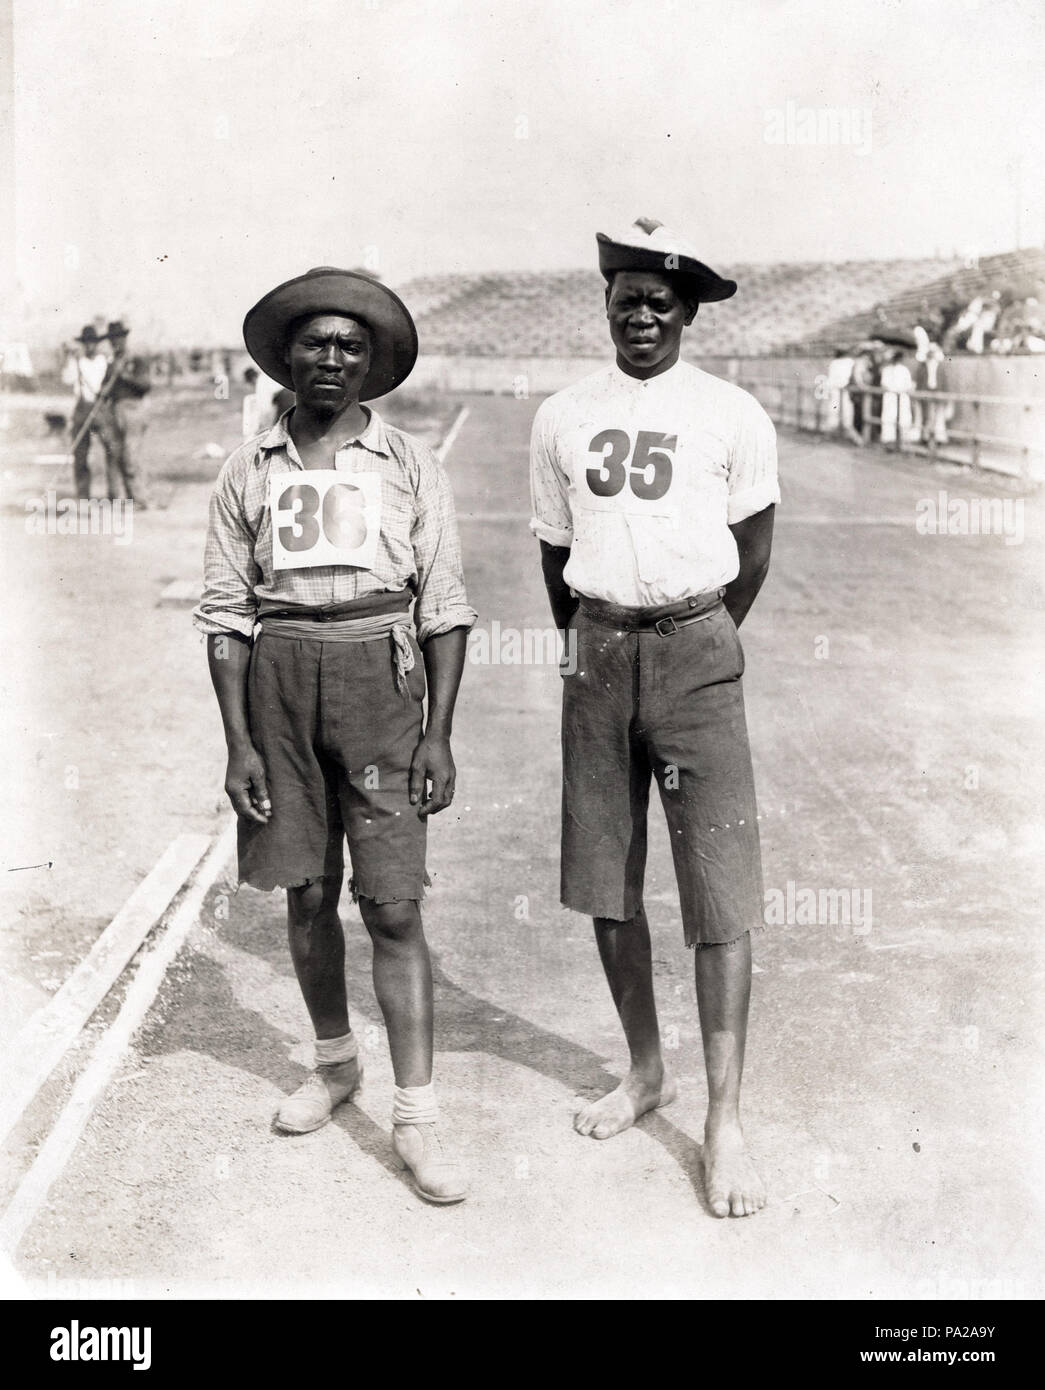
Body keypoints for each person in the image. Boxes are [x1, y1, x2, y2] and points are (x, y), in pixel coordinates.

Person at [194, 267, 477, 1204]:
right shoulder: (250, 466)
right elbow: (226, 614)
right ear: (287, 356)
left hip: (379, 682)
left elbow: (443, 608)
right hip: (279, 680)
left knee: (393, 906)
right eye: (314, 343)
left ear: (371, 363)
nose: (331, 359)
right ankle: (333, 1062)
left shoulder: (408, 463)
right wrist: (238, 742)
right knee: (306, 893)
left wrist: (437, 734)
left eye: (350, 346)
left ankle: (419, 1117)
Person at [529, 218, 779, 1218]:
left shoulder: (730, 412)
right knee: (607, 878)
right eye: (625, 295)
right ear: (604, 304)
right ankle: (643, 1071)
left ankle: (723, 1120)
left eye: (659, 298)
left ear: (685, 309)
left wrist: (697, 634)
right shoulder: (562, 414)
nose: (641, 311)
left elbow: (752, 547)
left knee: (720, 892)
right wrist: (594, 639)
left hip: (695, 653)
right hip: (598, 650)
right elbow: (555, 552)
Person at [68, 324, 121, 500]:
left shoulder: (104, 361)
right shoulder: (77, 362)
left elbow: (110, 385)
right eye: (86, 343)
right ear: (83, 344)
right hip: (82, 409)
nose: (89, 346)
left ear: (97, 344)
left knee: (112, 451)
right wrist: (72, 359)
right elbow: (67, 379)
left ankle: (114, 495)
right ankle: (83, 497)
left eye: (92, 342)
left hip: (101, 409)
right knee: (80, 455)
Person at [102, 321, 152, 505]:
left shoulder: (136, 360)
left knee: (131, 456)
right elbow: (105, 388)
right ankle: (117, 498)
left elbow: (146, 386)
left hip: (133, 410)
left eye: (118, 338)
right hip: (114, 411)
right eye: (112, 339)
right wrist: (103, 392)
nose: (115, 342)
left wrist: (124, 375)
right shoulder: (111, 363)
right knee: (114, 453)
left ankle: (140, 498)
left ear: (124, 339)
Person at [879, 349, 913, 447]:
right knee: (892, 417)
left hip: (897, 396)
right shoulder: (891, 370)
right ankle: (895, 440)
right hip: (893, 396)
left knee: (900, 417)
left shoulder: (901, 370)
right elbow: (884, 385)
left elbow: (884, 384)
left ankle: (898, 440)